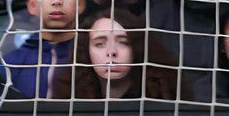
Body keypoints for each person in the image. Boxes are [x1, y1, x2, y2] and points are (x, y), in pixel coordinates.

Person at [51, 10, 179, 99]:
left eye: (123, 42)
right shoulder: (68, 101)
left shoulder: (163, 97)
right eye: (100, 44)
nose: (111, 52)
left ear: (138, 48)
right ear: (86, 51)